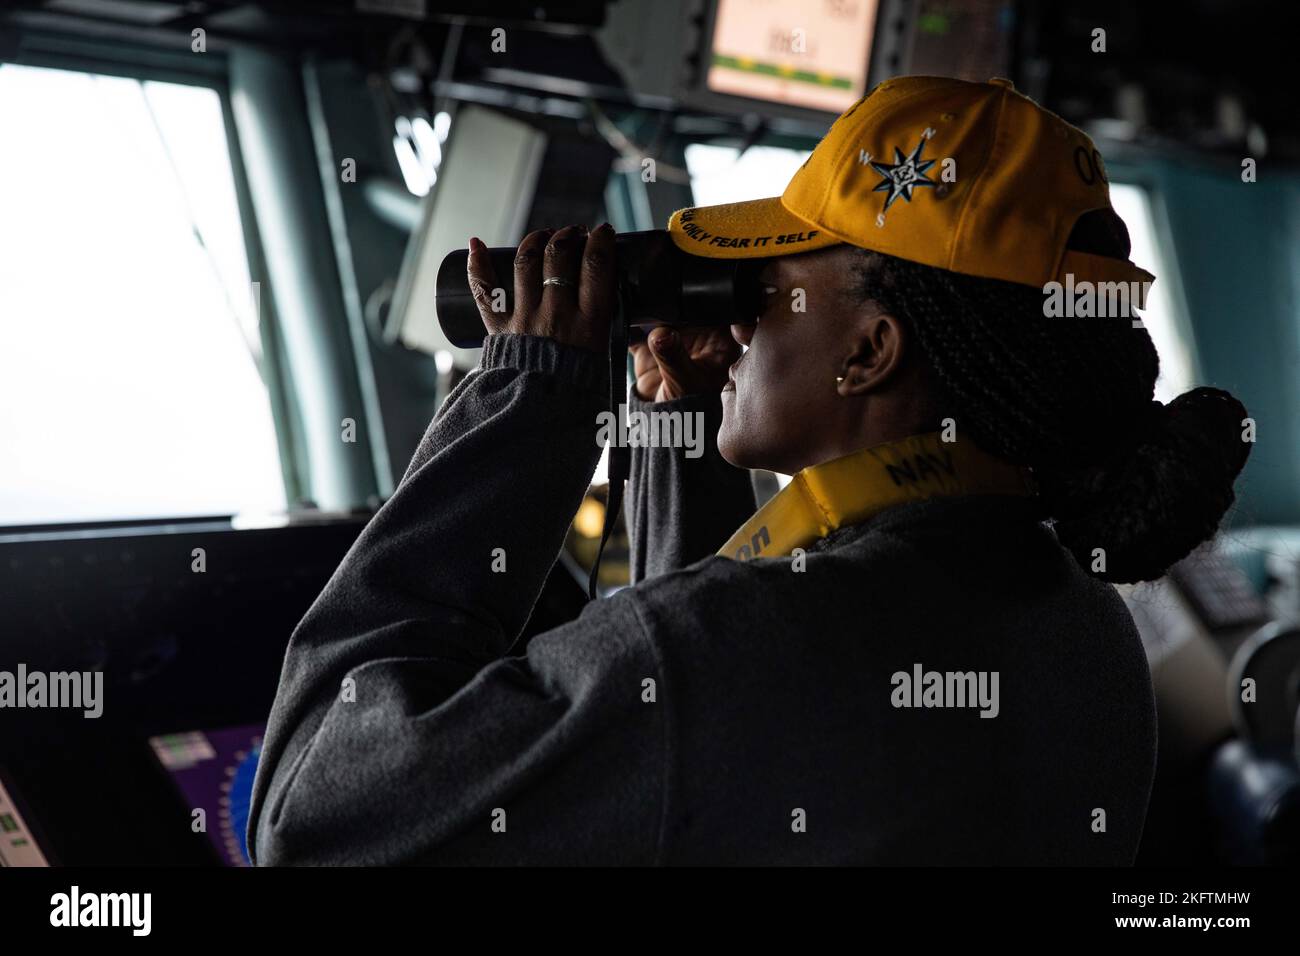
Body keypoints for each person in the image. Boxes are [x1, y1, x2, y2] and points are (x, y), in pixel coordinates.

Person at [248, 76, 1250, 865]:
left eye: (762, 289)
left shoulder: (738, 645)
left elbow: (315, 810)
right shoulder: (1080, 622)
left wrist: (531, 396)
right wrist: (675, 424)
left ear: (867, 351)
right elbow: (704, 756)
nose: (728, 325)